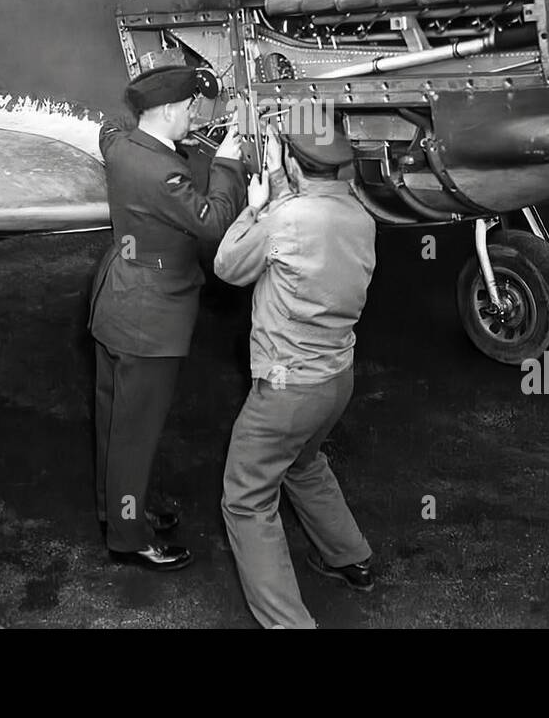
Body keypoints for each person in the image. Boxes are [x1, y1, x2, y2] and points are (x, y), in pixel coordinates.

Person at [214, 125, 378, 629]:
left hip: (287, 391)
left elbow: (227, 266)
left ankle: (288, 623)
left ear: (291, 160)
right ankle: (350, 557)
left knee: (246, 498)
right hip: (337, 380)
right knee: (304, 463)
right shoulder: (359, 214)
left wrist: (256, 205)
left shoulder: (283, 219)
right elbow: (313, 229)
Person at [88, 65, 247, 571]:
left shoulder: (121, 146)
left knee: (114, 422)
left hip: (116, 297)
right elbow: (213, 222)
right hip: (149, 315)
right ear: (164, 111)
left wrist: (188, 138)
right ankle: (129, 540)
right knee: (136, 433)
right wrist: (225, 161)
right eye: (186, 109)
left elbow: (110, 127)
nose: (192, 115)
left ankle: (116, 511)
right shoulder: (163, 174)